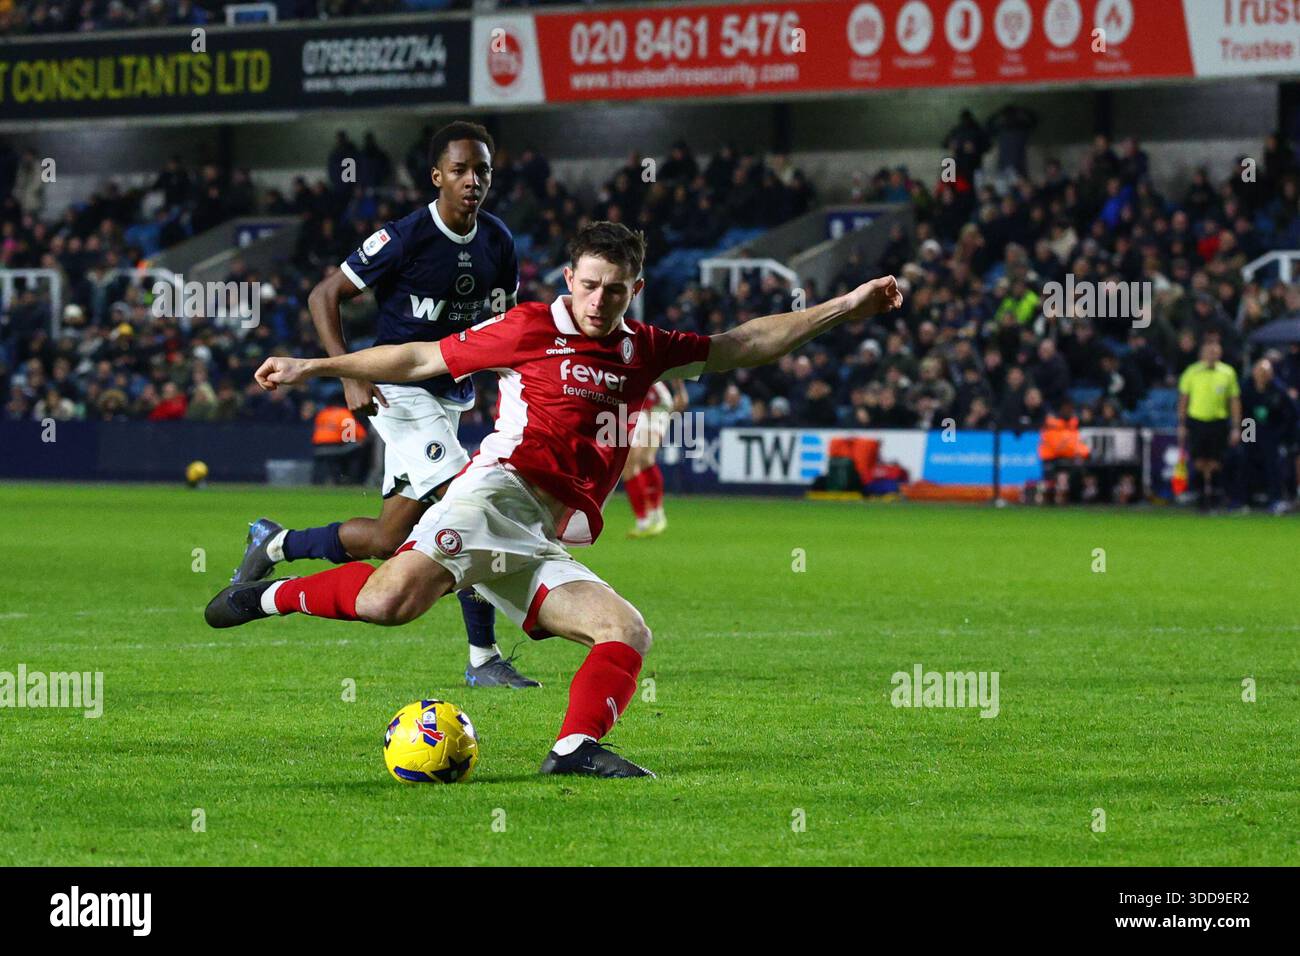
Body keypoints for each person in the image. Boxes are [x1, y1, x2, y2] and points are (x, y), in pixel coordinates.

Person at [205, 221, 903, 778]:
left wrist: (847, 305)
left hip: (541, 531)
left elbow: (742, 344)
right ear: (571, 278)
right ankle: (262, 597)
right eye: (592, 285)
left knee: (626, 631)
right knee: (390, 603)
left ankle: (572, 750)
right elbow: (420, 358)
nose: (601, 301)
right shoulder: (530, 328)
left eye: (617, 290)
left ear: (634, 290)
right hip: (493, 495)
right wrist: (318, 365)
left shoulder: (645, 349)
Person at [227, 121, 538, 689]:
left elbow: (503, 325)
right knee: (466, 501)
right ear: (437, 176)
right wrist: (346, 373)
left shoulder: (498, 241)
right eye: (462, 170)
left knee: (386, 540)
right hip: (396, 392)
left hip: (449, 399)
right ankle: (483, 657)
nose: (474, 181)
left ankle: (273, 543)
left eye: (483, 171)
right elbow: (325, 294)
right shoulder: (406, 236)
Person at [1177, 335, 1241, 511]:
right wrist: (1181, 424)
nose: (1213, 354)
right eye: (1209, 351)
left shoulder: (1228, 373)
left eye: (1215, 351)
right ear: (1203, 353)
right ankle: (1201, 495)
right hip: (1197, 420)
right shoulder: (1191, 372)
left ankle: (1214, 494)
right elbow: (1184, 399)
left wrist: (1236, 427)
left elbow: (1234, 401)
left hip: (1218, 421)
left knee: (1216, 461)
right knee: (1199, 460)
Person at [622, 377, 688, 538]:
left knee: (639, 461)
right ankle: (648, 519)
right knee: (635, 463)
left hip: (655, 401)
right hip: (639, 403)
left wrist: (680, 390)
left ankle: (652, 517)